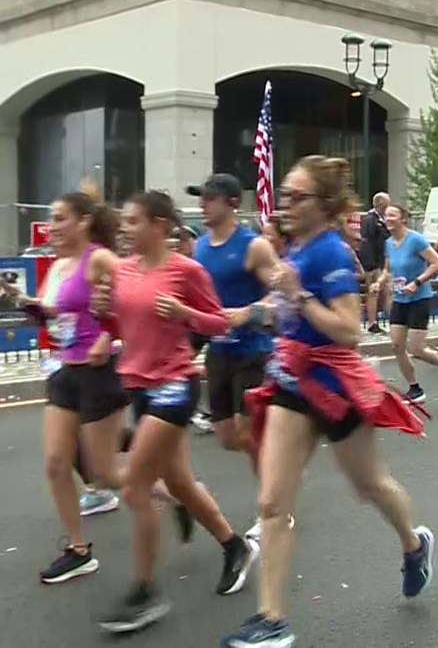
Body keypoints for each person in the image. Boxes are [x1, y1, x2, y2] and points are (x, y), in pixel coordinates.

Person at [221, 156, 433, 648]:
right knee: (272, 502)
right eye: (285, 195)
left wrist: (300, 296)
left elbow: (350, 330)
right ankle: (272, 620)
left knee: (371, 487)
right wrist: (242, 315)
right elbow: (283, 310)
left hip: (334, 388)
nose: (286, 204)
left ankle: (413, 543)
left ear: (326, 204)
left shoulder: (331, 254)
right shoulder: (296, 246)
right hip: (290, 386)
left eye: (298, 197)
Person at [92, 191, 256, 632]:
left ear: (161, 226)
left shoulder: (187, 271)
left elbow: (220, 322)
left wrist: (185, 312)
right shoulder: (123, 272)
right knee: (180, 481)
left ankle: (145, 592)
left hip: (174, 386)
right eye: (123, 223)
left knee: (135, 488)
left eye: (133, 222)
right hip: (139, 386)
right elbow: (124, 327)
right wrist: (104, 316)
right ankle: (234, 545)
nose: (125, 230)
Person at [11, 192, 125, 584]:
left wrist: (109, 340)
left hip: (100, 372)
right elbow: (54, 315)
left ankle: (176, 491)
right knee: (57, 462)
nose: (53, 227)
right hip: (65, 370)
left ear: (83, 221)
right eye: (52, 219)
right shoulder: (58, 266)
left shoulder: (101, 258)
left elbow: (134, 305)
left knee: (107, 474)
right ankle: (79, 550)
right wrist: (22, 301)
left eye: (61, 218)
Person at [188, 173, 288, 540]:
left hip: (255, 351)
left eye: (209, 197)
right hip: (220, 352)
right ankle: (280, 467)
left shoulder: (254, 246)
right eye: (201, 197)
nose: (202, 204)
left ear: (232, 202)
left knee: (249, 432)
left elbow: (284, 295)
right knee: (229, 436)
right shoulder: (199, 248)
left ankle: (275, 510)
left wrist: (250, 312)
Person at [372, 204, 438, 403]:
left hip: (419, 298)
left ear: (403, 218)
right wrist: (379, 282)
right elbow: (388, 269)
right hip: (399, 299)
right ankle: (415, 388)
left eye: (392, 215)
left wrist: (417, 282)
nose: (388, 218)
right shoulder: (389, 243)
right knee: (396, 345)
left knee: (416, 349)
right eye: (386, 215)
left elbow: (437, 264)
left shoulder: (415, 240)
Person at [358, 192, 391, 334]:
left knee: (385, 292)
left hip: (383, 261)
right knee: (374, 292)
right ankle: (372, 322)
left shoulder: (382, 219)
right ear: (380, 204)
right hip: (374, 263)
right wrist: (369, 265)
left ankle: (386, 318)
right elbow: (366, 242)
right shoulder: (370, 220)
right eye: (387, 203)